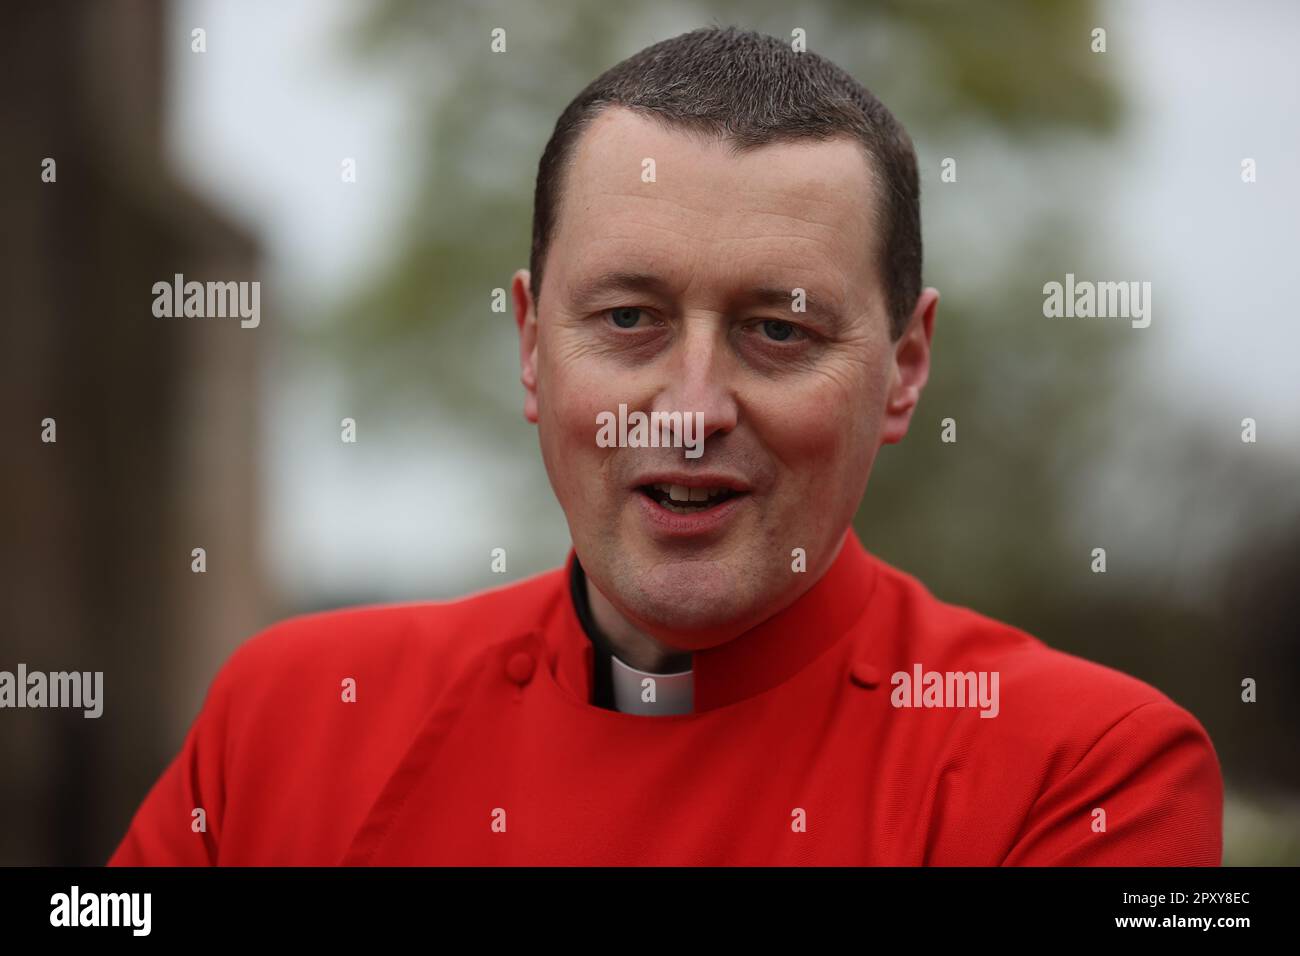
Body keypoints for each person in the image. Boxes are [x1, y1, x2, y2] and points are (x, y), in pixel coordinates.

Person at [109, 26, 1222, 866]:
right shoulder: (294, 720)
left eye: (777, 330)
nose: (687, 408)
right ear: (531, 345)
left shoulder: (1089, 770)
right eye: (628, 319)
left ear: (907, 365)